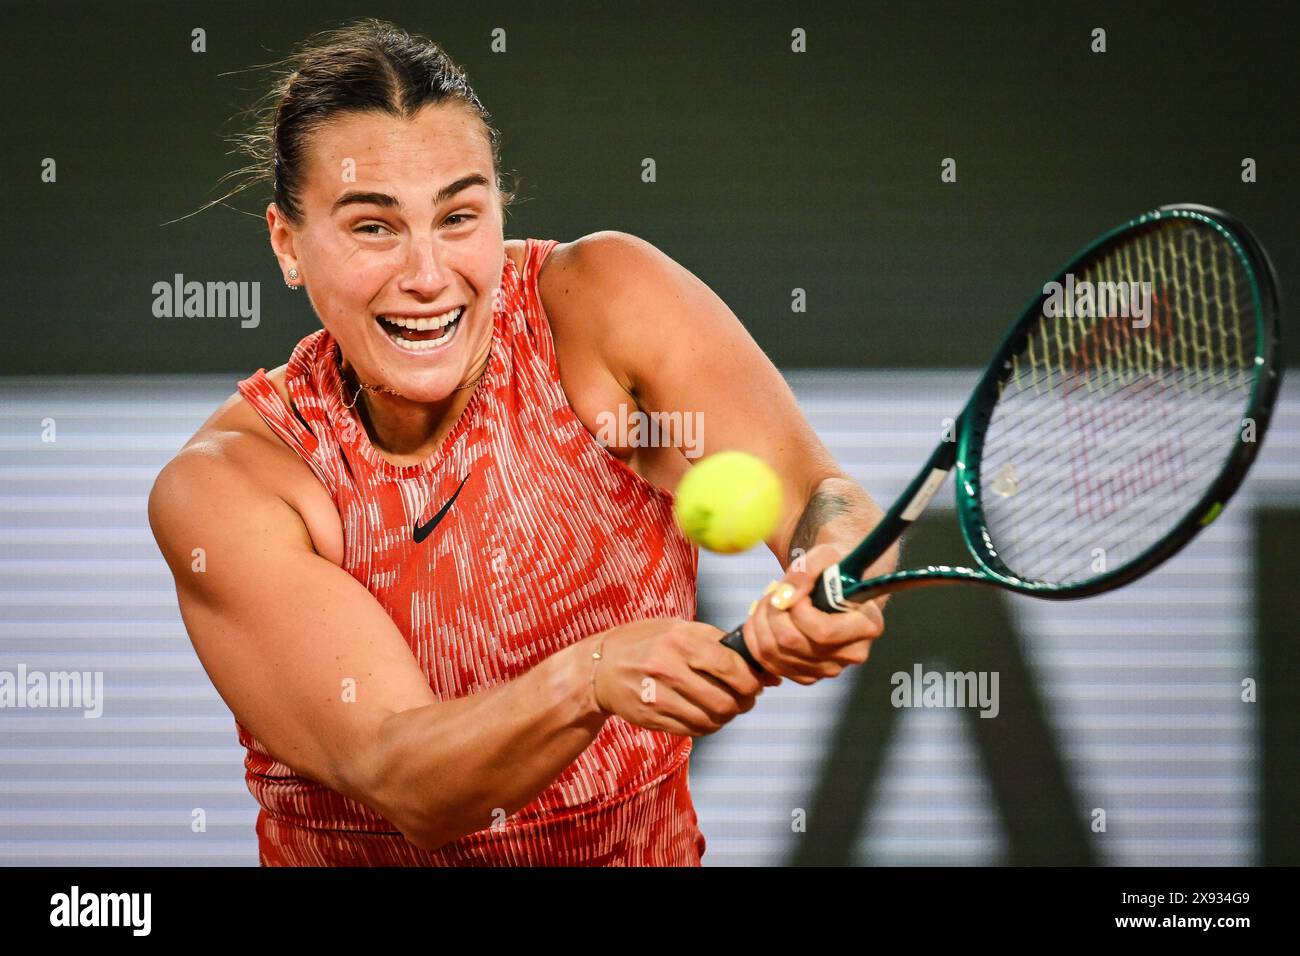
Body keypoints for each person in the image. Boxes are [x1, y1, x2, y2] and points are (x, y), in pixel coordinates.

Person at [148, 18, 895, 866]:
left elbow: (817, 495)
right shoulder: (230, 487)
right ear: (288, 244)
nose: (428, 276)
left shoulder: (606, 301)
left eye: (459, 215)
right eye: (372, 228)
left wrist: (834, 568)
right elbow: (406, 779)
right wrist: (590, 675)